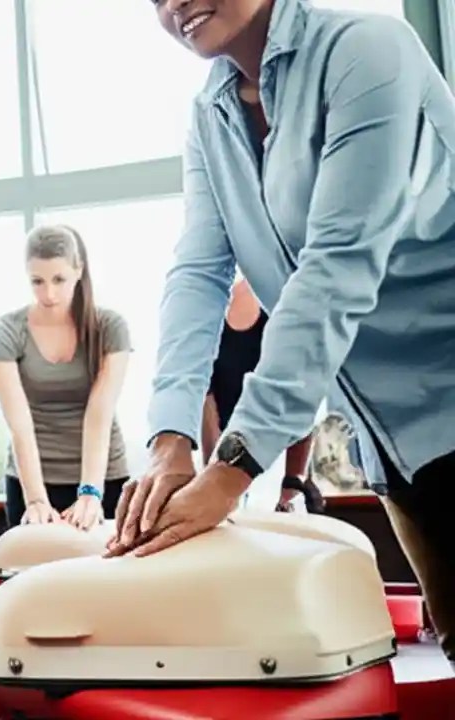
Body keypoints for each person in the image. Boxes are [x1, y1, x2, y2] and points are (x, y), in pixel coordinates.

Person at [110, 0, 455, 661]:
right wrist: (169, 438)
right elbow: (197, 271)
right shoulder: (209, 113)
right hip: (399, 454)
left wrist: (232, 468)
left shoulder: (369, 50)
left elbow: (336, 268)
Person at [0, 225, 132, 531]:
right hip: (32, 480)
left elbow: (99, 413)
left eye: (59, 280)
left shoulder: (110, 327)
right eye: (37, 281)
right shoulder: (5, 332)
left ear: (78, 271)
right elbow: (19, 423)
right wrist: (37, 500)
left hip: (102, 476)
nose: (48, 294)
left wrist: (90, 492)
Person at [201, 276, 321, 513]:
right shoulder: (214, 309)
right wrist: (212, 477)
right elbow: (207, 401)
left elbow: (304, 397)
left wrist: (291, 486)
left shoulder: (293, 303)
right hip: (229, 455)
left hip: (275, 457)